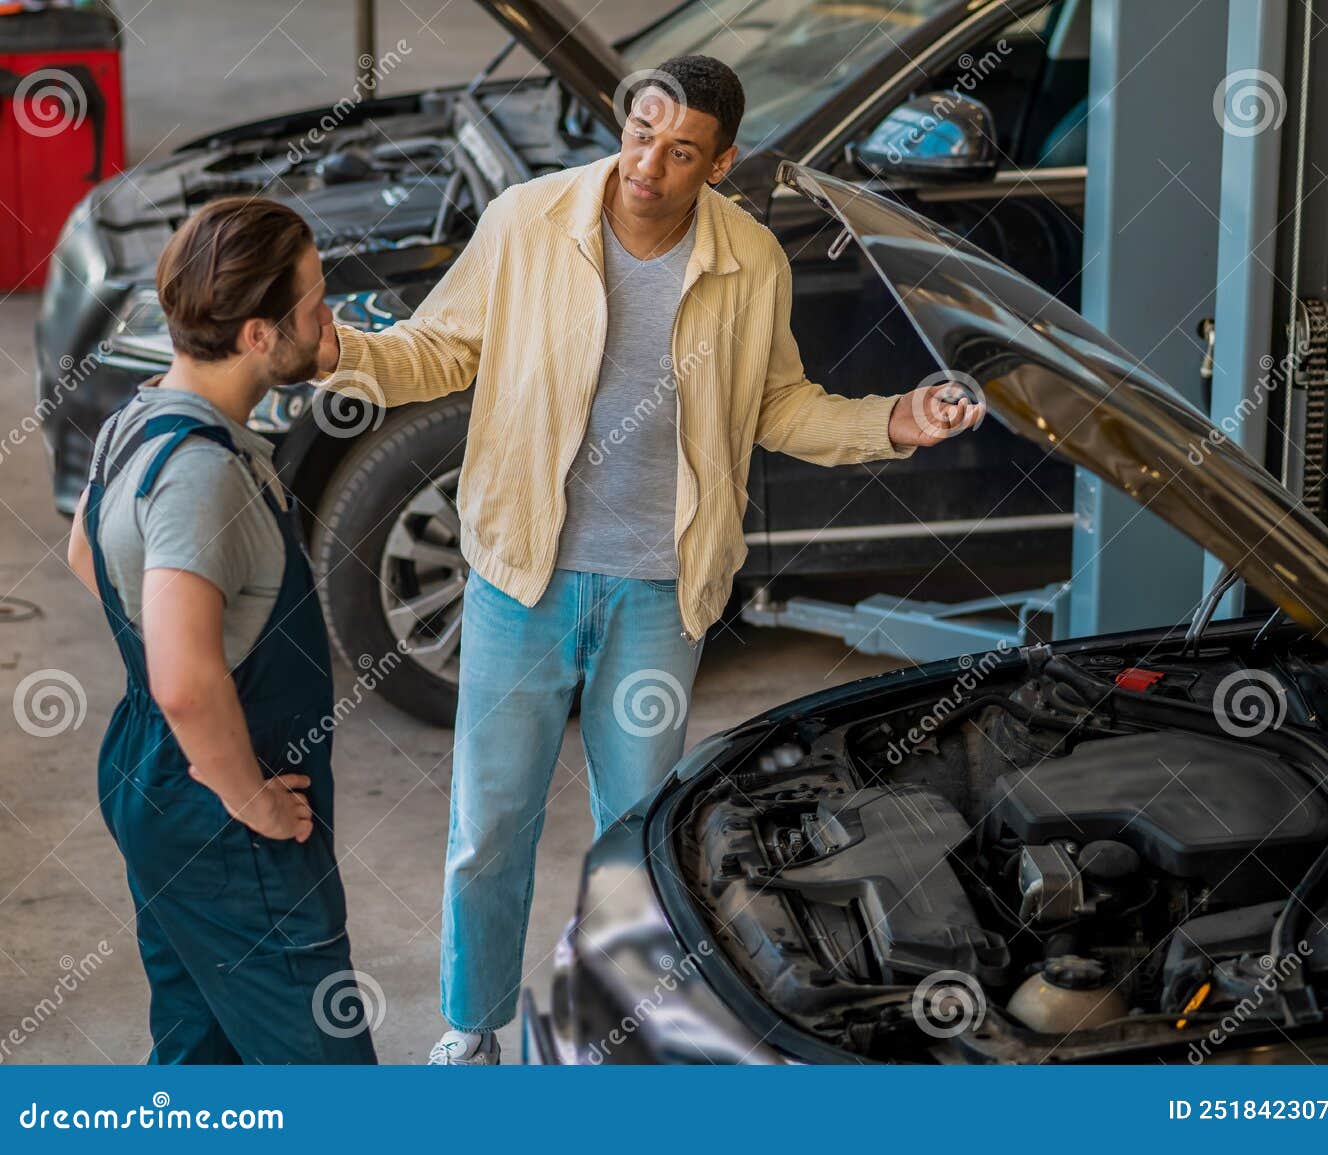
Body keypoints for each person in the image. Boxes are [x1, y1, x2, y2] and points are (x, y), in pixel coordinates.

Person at [313, 55, 984, 1065]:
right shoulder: (529, 222)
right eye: (640, 135)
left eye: (679, 152)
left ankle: (611, 1029)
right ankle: (473, 1024)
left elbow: (777, 406)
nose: (647, 165)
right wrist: (347, 355)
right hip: (520, 577)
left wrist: (889, 421)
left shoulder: (750, 259)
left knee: (638, 834)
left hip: (660, 593)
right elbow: (441, 350)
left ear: (718, 164)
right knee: (489, 825)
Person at [66, 197, 376, 1064]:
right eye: (314, 301)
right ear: (257, 334)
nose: (329, 317)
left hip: (153, 778)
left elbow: (85, 551)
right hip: (225, 821)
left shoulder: (141, 416)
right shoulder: (206, 477)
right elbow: (184, 682)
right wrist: (252, 801)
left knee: (200, 1045)